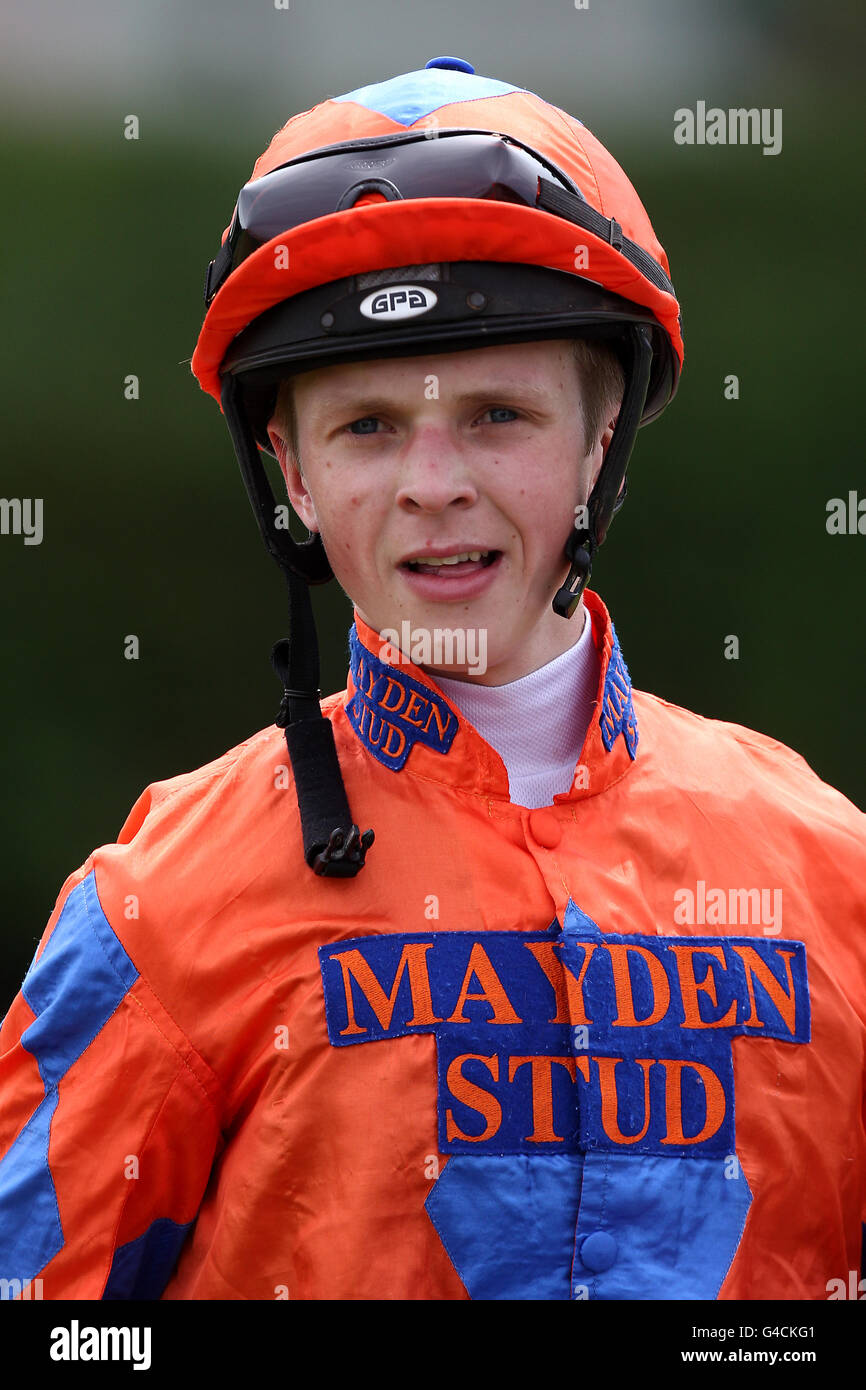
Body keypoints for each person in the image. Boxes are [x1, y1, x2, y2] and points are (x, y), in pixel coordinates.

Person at [0, 56, 863, 1303]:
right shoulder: (154, 910)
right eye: (367, 427)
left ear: (600, 439)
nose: (433, 482)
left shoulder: (826, 871)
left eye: (498, 415)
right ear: (289, 473)